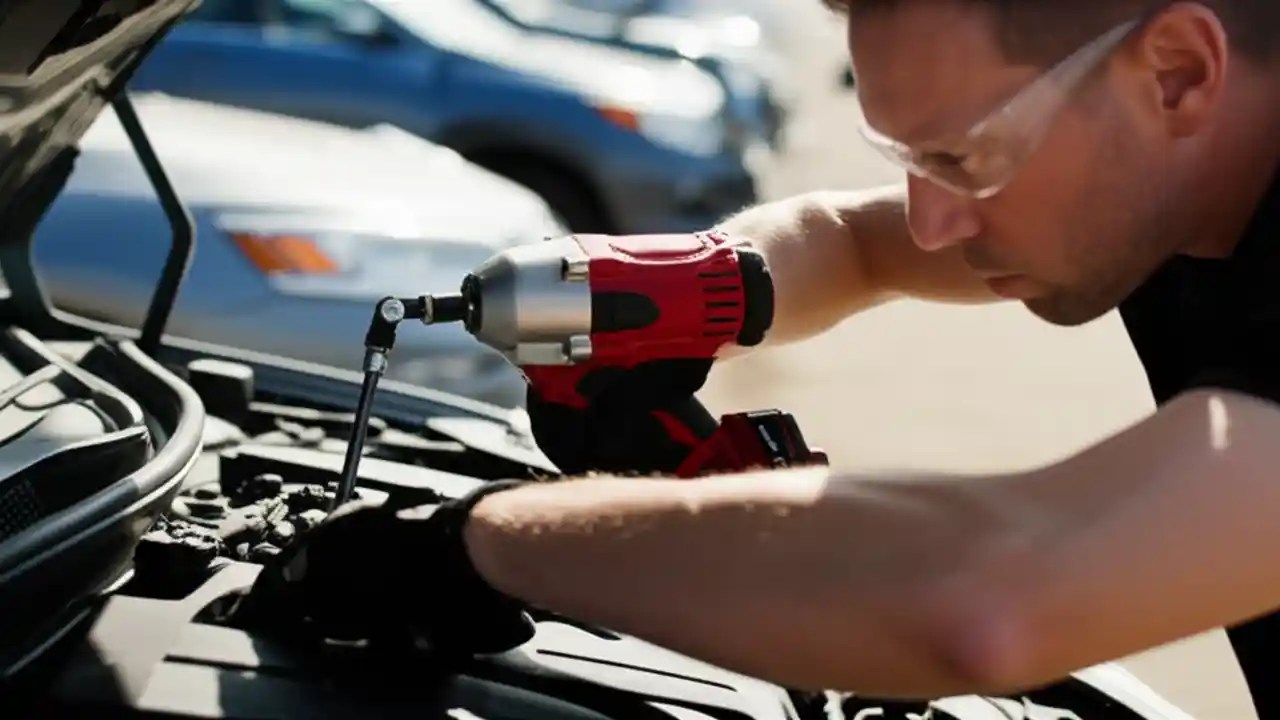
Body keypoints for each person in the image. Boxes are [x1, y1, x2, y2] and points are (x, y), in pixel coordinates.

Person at [261, 0, 1280, 715]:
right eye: (906, 160)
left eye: (962, 158)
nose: (930, 220)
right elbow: (853, 239)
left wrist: (474, 543)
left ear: (1178, 73)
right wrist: (701, 280)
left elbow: (995, 596)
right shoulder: (1163, 182)